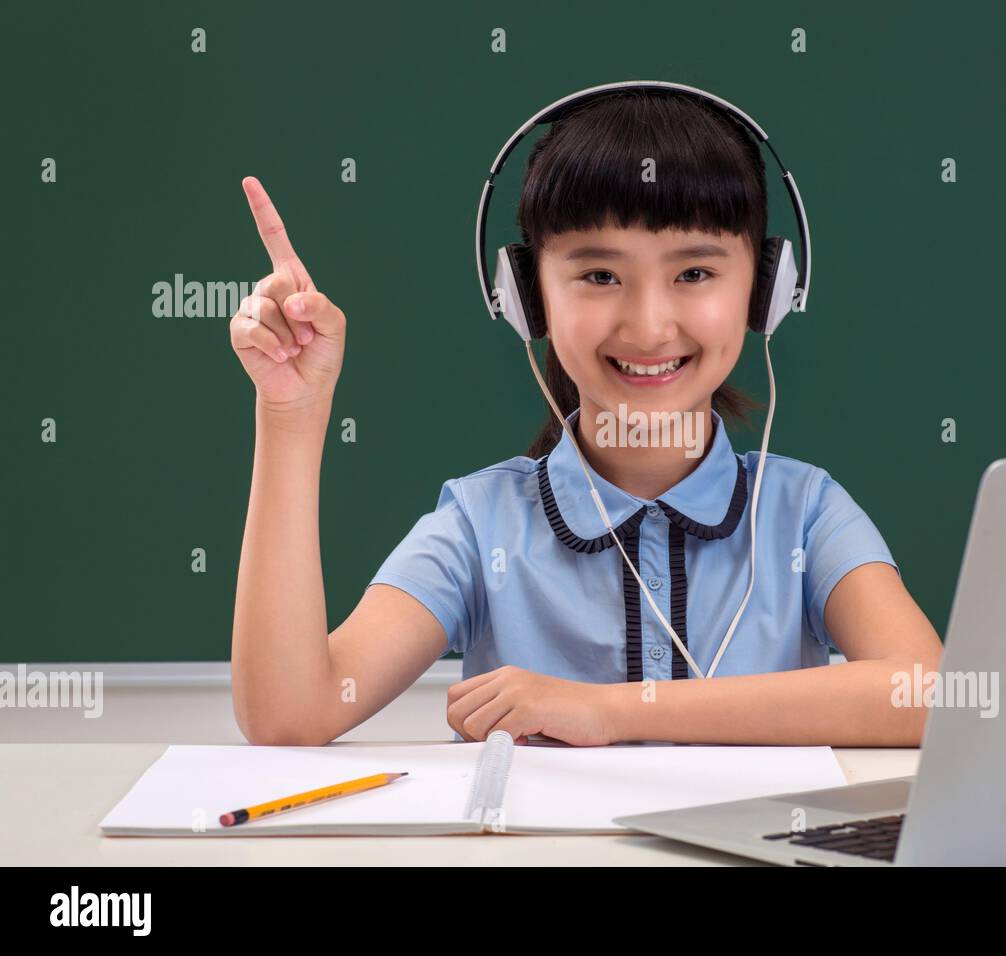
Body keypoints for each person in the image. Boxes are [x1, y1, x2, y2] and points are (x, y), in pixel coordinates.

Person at [229, 90, 942, 748]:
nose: (650, 325)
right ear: (527, 298)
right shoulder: (483, 524)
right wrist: (291, 414)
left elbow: (928, 693)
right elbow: (291, 716)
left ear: (765, 290)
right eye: (599, 276)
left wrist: (607, 710)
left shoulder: (804, 513)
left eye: (694, 274)